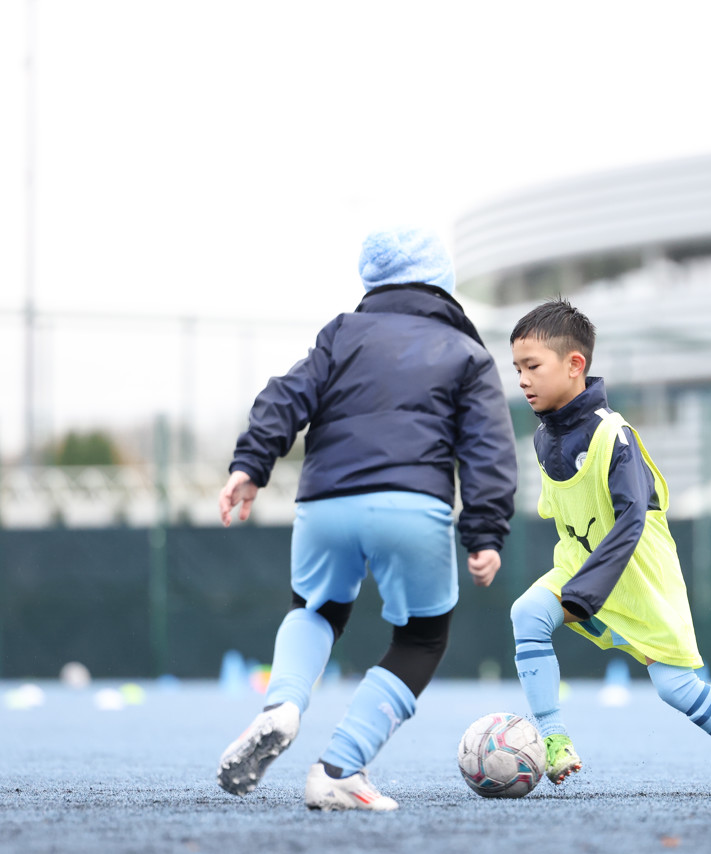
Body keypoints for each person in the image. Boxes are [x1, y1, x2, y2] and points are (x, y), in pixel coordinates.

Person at [214, 227, 517, 811]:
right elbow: (489, 450)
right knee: (422, 637)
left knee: (316, 610)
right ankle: (339, 768)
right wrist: (484, 531)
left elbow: (285, 395)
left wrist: (251, 464)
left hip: (325, 501)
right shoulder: (467, 352)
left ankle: (282, 704)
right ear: (442, 283)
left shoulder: (340, 335)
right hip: (413, 502)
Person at [507, 298, 711, 798]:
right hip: (581, 571)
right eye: (517, 368)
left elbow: (631, 521)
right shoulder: (543, 439)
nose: (522, 378)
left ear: (575, 365)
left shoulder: (614, 435)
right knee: (527, 614)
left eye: (532, 366)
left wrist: (587, 591)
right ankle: (554, 740)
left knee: (677, 688)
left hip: (638, 582)